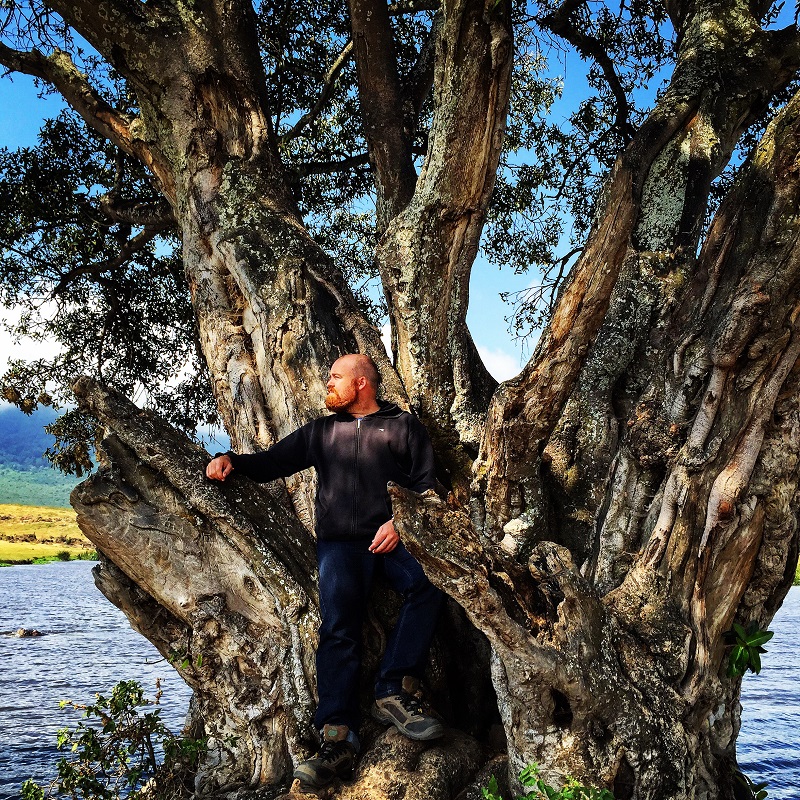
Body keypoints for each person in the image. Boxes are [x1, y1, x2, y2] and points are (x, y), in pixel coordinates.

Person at [206, 353, 445, 790]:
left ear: (361, 384)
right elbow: (273, 462)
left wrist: (400, 522)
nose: (327, 383)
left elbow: (428, 485)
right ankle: (337, 738)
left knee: (429, 585)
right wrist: (230, 460)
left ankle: (392, 689)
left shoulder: (402, 427)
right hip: (340, 547)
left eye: (335, 377)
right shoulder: (321, 431)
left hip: (392, 540)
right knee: (338, 629)